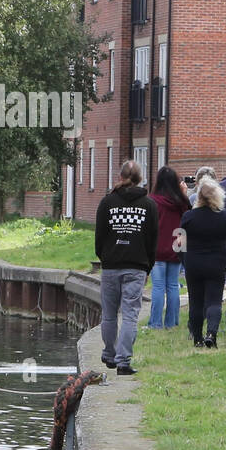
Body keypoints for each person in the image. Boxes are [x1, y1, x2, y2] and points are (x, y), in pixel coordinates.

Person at [94, 159, 158, 375]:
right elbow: (152, 239)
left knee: (109, 314)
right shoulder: (149, 205)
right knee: (130, 315)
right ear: (141, 178)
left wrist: (104, 257)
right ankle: (123, 362)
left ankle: (109, 353)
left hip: (111, 265)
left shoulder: (107, 202)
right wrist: (148, 266)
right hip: (136, 266)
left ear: (120, 176)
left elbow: (100, 237)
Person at [179, 178, 226, 349]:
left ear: (198, 196)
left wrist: (184, 260)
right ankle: (211, 334)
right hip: (217, 262)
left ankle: (198, 339)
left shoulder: (188, 217)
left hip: (193, 262)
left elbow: (179, 242)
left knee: (196, 301)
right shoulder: (225, 217)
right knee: (214, 301)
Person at [146, 167, 188, 329]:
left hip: (157, 248)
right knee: (172, 285)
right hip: (177, 246)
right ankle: (172, 322)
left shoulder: (153, 201)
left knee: (158, 286)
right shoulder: (182, 202)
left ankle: (155, 323)